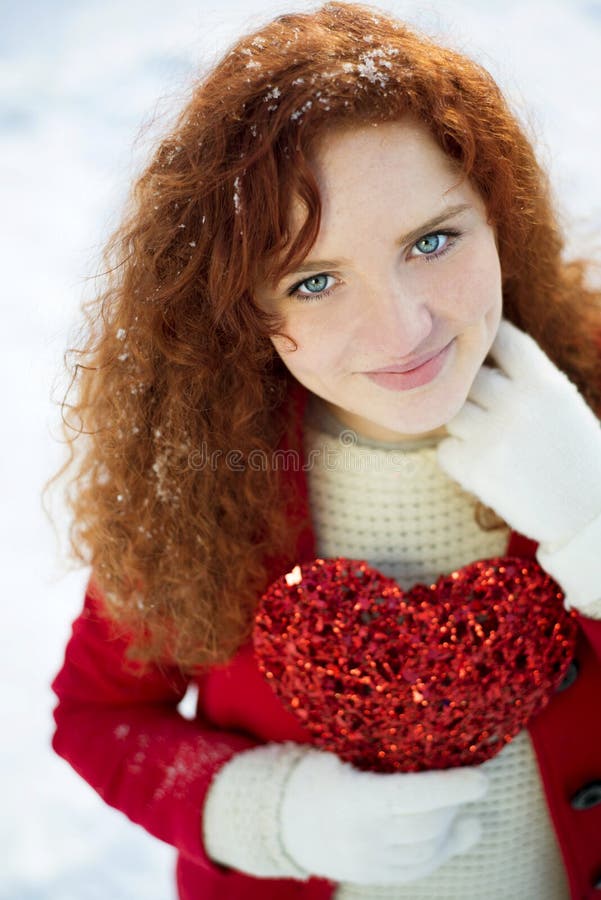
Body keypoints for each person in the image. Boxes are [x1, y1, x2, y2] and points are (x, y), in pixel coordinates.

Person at [48, 2, 601, 898]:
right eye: (313, 281)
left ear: (498, 217)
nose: (401, 330)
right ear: (242, 304)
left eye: (431, 240)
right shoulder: (205, 477)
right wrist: (274, 814)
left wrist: (590, 519)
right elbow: (96, 717)